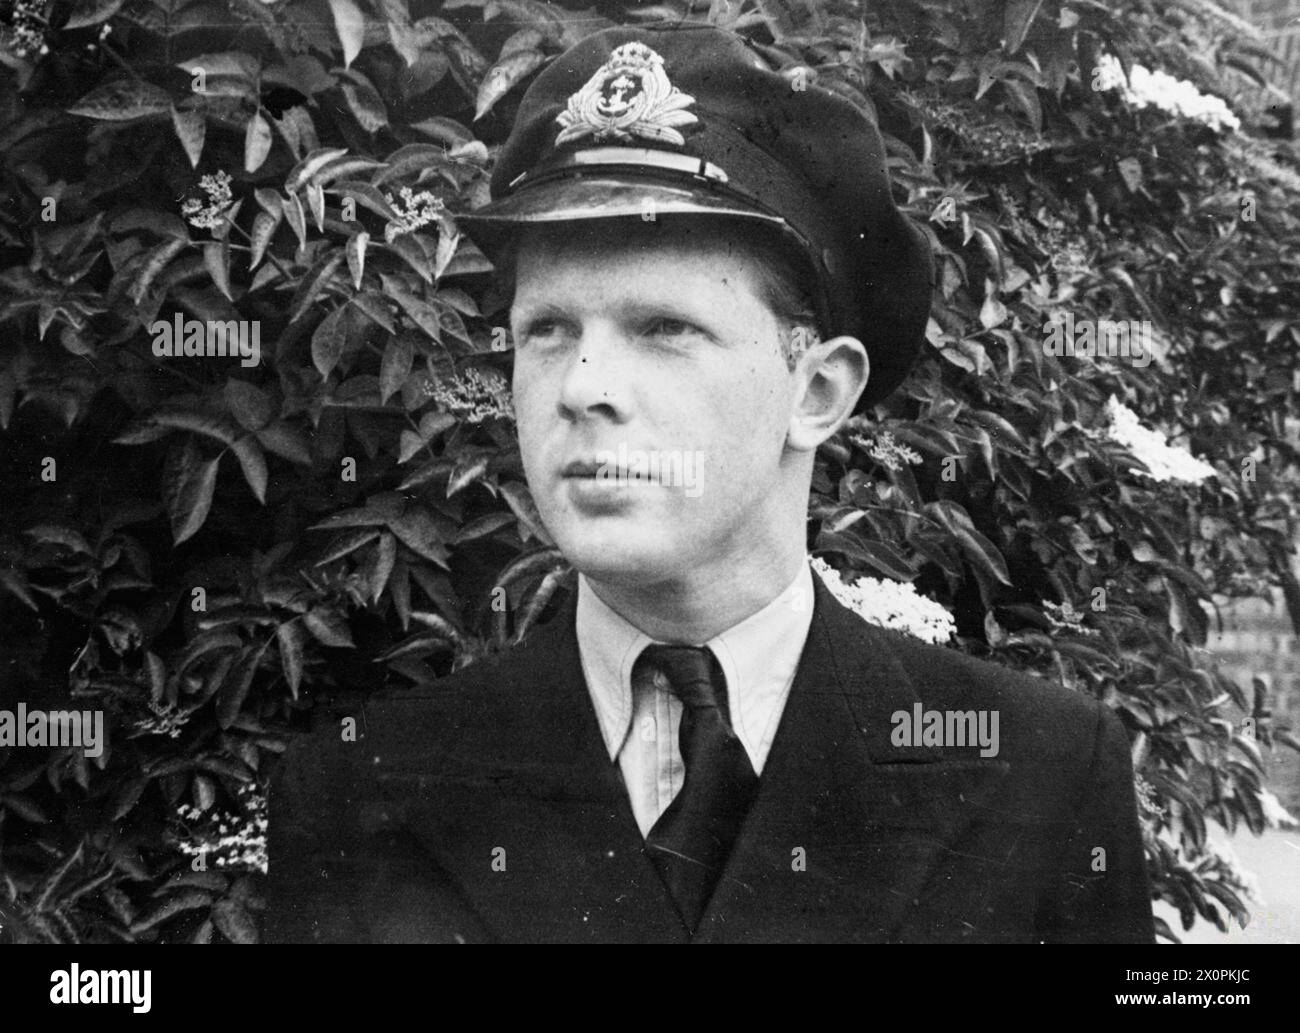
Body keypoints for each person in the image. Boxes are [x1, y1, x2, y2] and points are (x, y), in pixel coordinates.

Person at [263, 23, 1155, 943]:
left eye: (662, 328)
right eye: (548, 330)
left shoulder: (1036, 775)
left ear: (816, 391)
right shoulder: (357, 794)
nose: (583, 387)